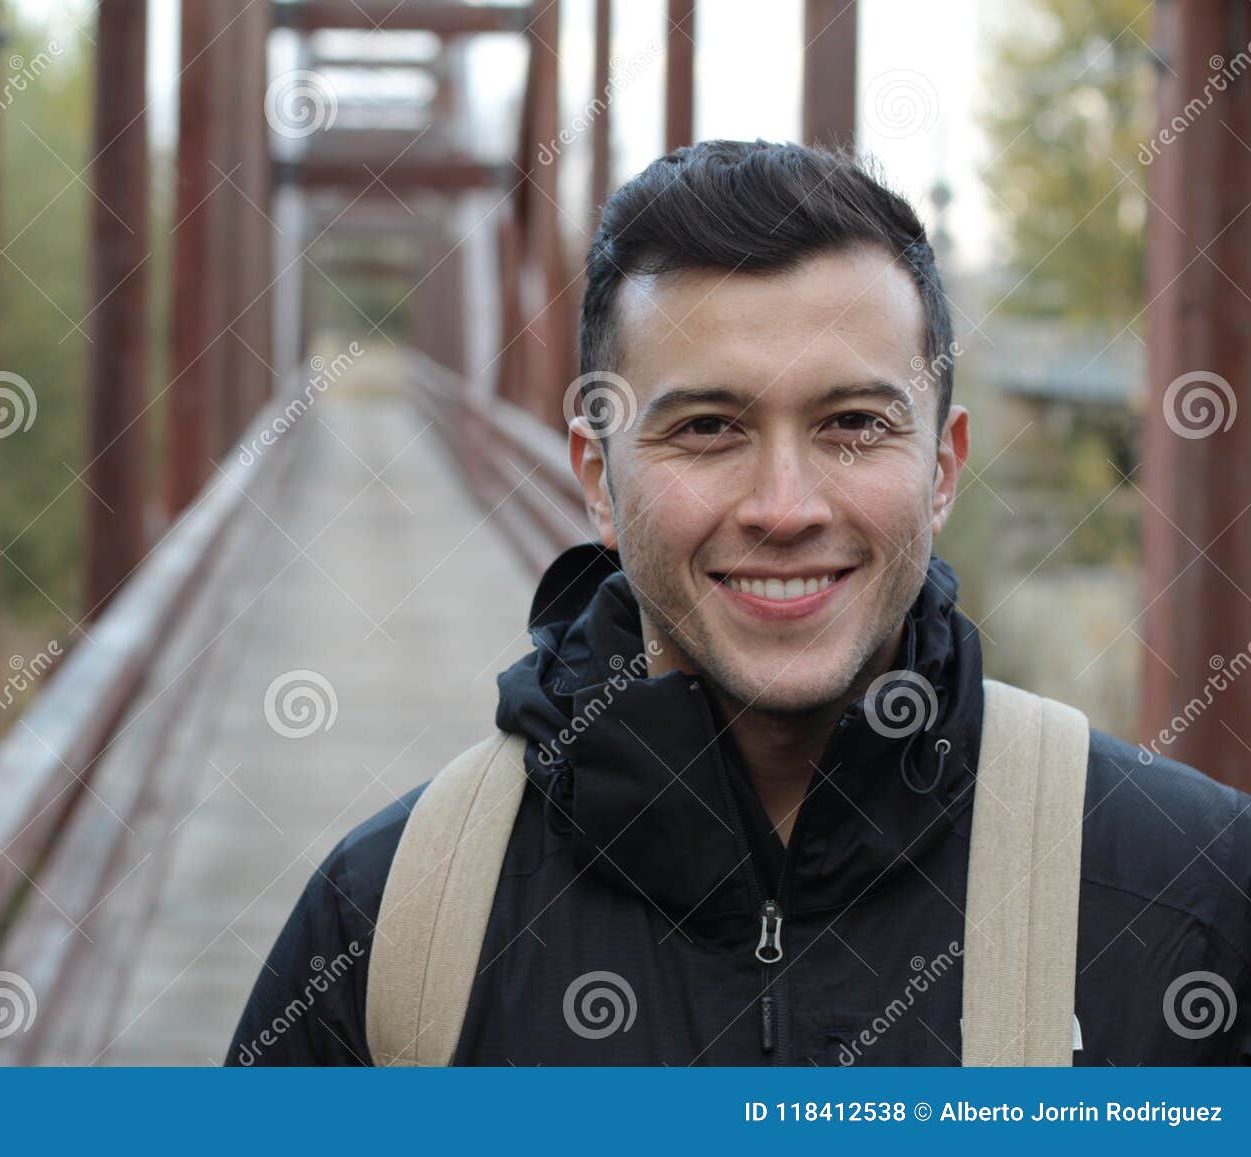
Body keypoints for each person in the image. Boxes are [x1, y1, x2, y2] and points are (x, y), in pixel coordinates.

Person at [226, 140, 1251, 1066]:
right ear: (597, 478)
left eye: (852, 423)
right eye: (708, 428)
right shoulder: (391, 930)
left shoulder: (1196, 891)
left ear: (942, 468)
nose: (784, 507)